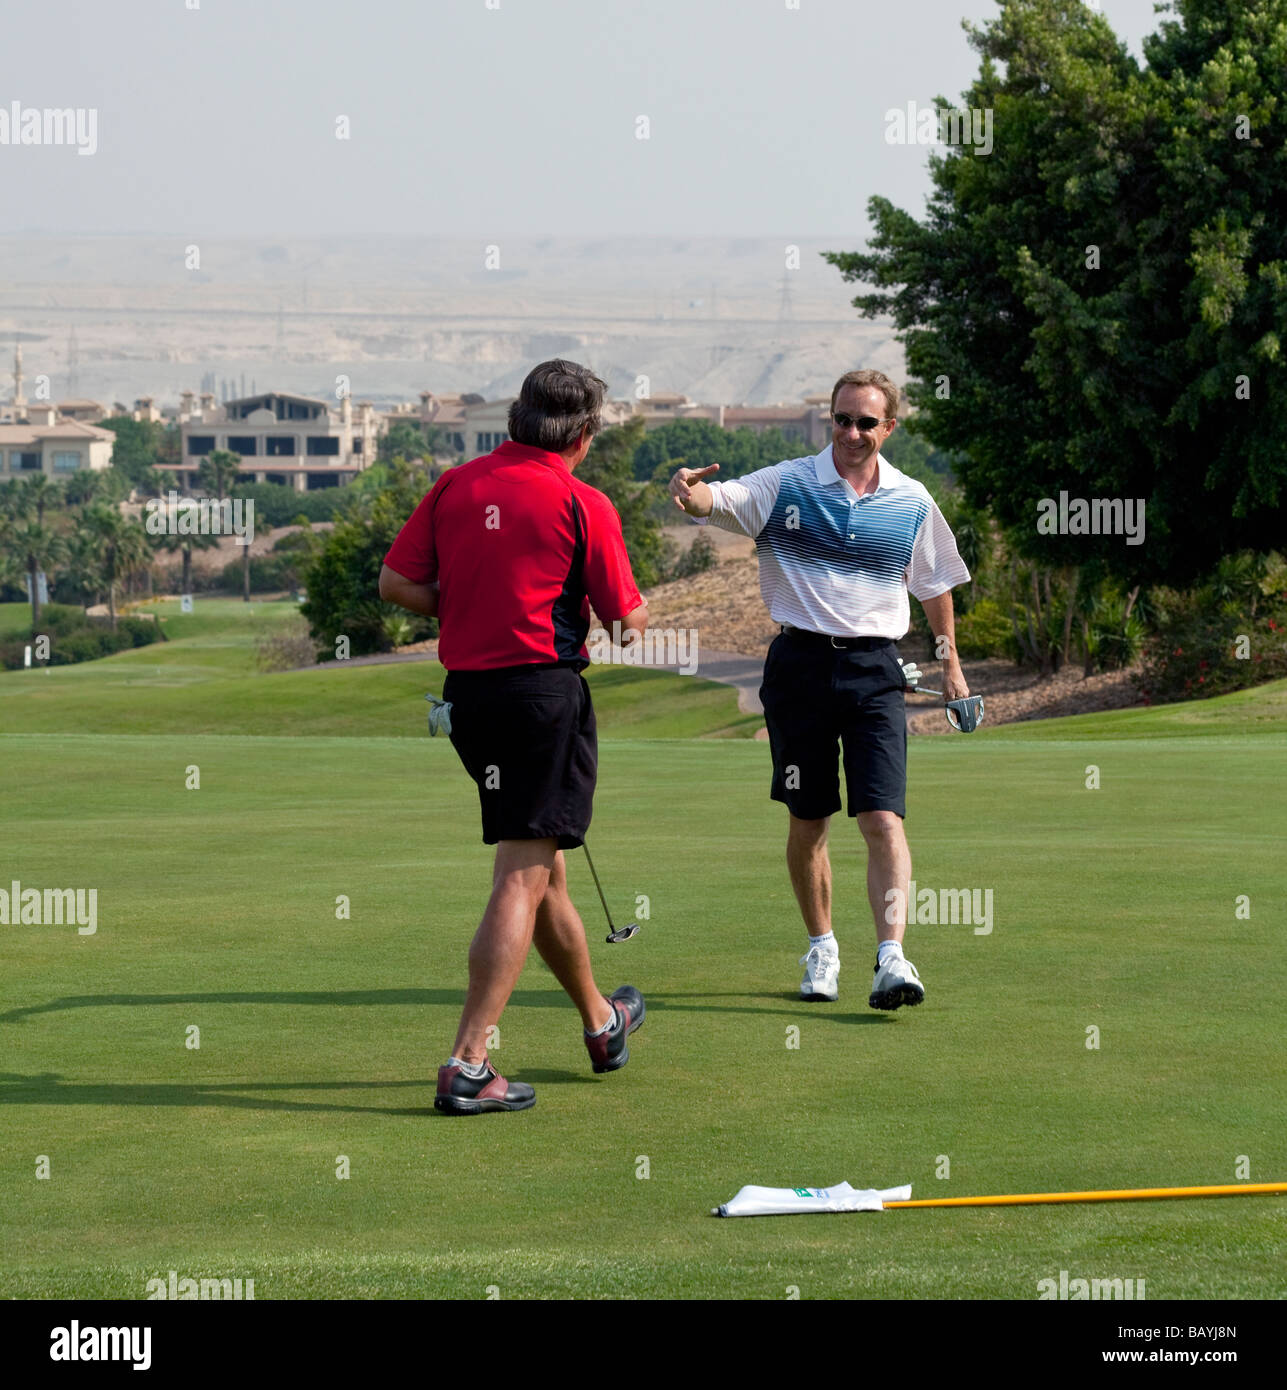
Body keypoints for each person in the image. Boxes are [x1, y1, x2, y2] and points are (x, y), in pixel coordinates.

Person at [379, 359, 649, 1113]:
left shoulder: (456, 485)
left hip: (471, 703)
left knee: (544, 869)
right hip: (541, 699)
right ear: (585, 435)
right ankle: (468, 1062)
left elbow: (395, 584)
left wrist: (470, 605)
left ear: (514, 419)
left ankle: (600, 1022)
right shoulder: (580, 500)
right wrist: (636, 613)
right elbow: (625, 620)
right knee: (521, 877)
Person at [667, 368, 970, 1010]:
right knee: (809, 818)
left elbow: (935, 584)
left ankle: (891, 958)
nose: (852, 432)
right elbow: (716, 503)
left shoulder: (913, 500)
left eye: (866, 422)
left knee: (883, 817)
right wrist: (689, 494)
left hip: (875, 673)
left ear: (889, 427)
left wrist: (949, 663)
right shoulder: (786, 484)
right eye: (842, 419)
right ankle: (822, 947)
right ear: (827, 420)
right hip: (799, 668)